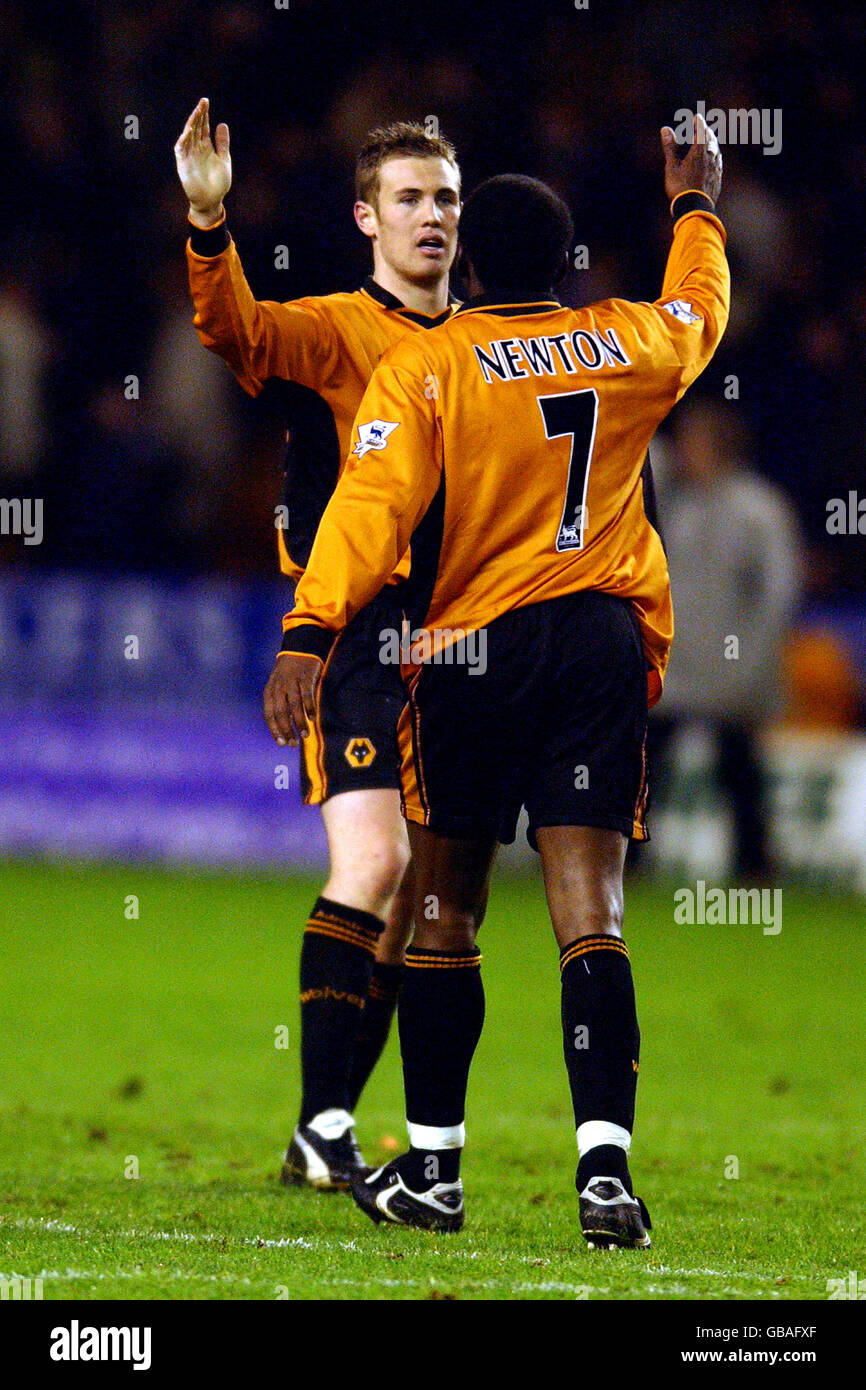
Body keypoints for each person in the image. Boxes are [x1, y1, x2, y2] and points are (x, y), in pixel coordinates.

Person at [265, 115, 729, 1247]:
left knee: (439, 910)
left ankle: (431, 1169)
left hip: (472, 652)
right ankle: (605, 1174)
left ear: (468, 262)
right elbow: (701, 311)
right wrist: (694, 207)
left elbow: (367, 511)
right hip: (599, 645)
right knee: (591, 912)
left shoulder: (425, 364)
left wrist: (309, 630)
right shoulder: (623, 340)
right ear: (567, 264)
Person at [174, 98, 461, 1189]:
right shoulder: (333, 329)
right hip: (353, 626)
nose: (429, 216)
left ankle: (320, 1126)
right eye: (407, 199)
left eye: (443, 197)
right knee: (377, 862)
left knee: (426, 896)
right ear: (364, 217)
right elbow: (231, 329)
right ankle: (324, 1122)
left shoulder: (487, 340)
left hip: (462, 636)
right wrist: (210, 222)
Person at [650, 401, 801, 877]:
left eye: (693, 440)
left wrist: (753, 662)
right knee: (645, 773)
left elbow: (779, 591)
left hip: (734, 672)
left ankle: (755, 867)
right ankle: (628, 863)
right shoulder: (676, 504)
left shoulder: (758, 508)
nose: (682, 449)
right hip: (677, 669)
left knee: (740, 774)